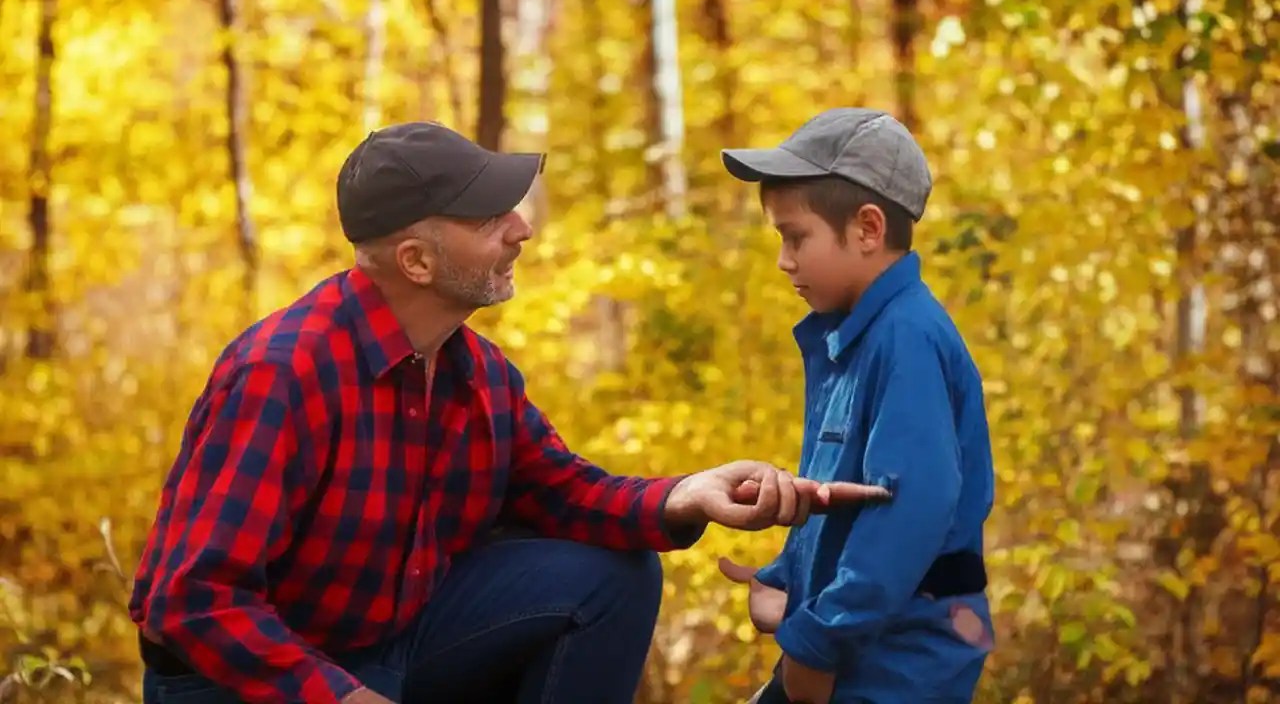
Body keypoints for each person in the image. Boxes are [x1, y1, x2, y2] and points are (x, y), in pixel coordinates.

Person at [128, 121, 892, 704]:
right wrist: (341, 698)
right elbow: (188, 600)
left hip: (388, 643)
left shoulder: (475, 371)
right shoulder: (284, 372)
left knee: (611, 574)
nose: (521, 228)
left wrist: (684, 494)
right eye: (491, 216)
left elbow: (563, 493)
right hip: (248, 683)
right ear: (417, 262)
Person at [716, 108, 996, 703]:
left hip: (900, 660)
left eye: (797, 238)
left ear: (868, 230)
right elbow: (845, 498)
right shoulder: (850, 340)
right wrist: (787, 575)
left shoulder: (907, 339)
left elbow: (909, 512)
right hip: (857, 641)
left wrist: (818, 643)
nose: (784, 260)